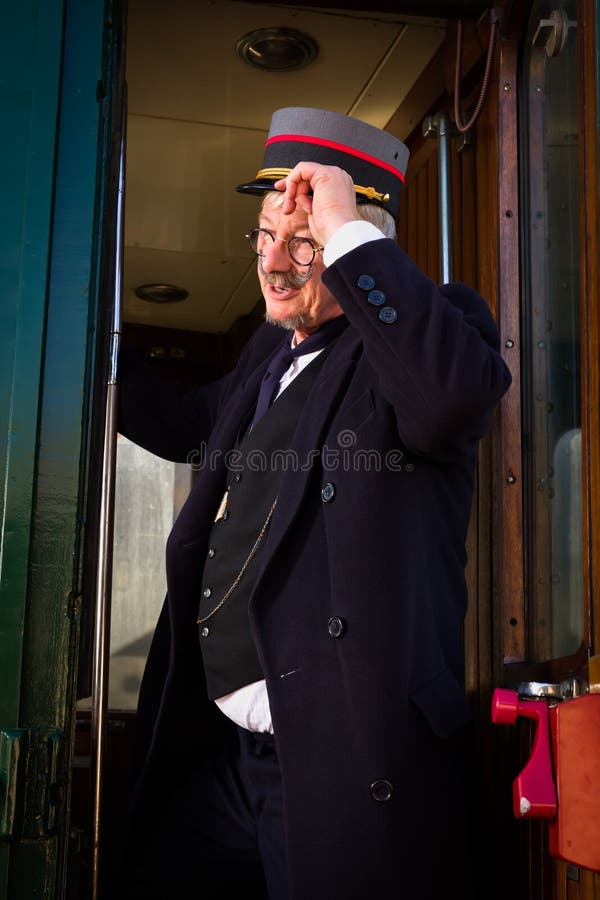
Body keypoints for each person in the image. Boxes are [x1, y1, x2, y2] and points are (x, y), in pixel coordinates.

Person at [116, 107, 512, 900]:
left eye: (304, 243)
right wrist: (80, 326)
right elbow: (188, 425)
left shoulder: (428, 337)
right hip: (233, 758)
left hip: (342, 761)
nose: (274, 263)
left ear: (356, 242)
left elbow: (452, 397)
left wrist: (342, 226)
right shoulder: (270, 353)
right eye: (265, 235)